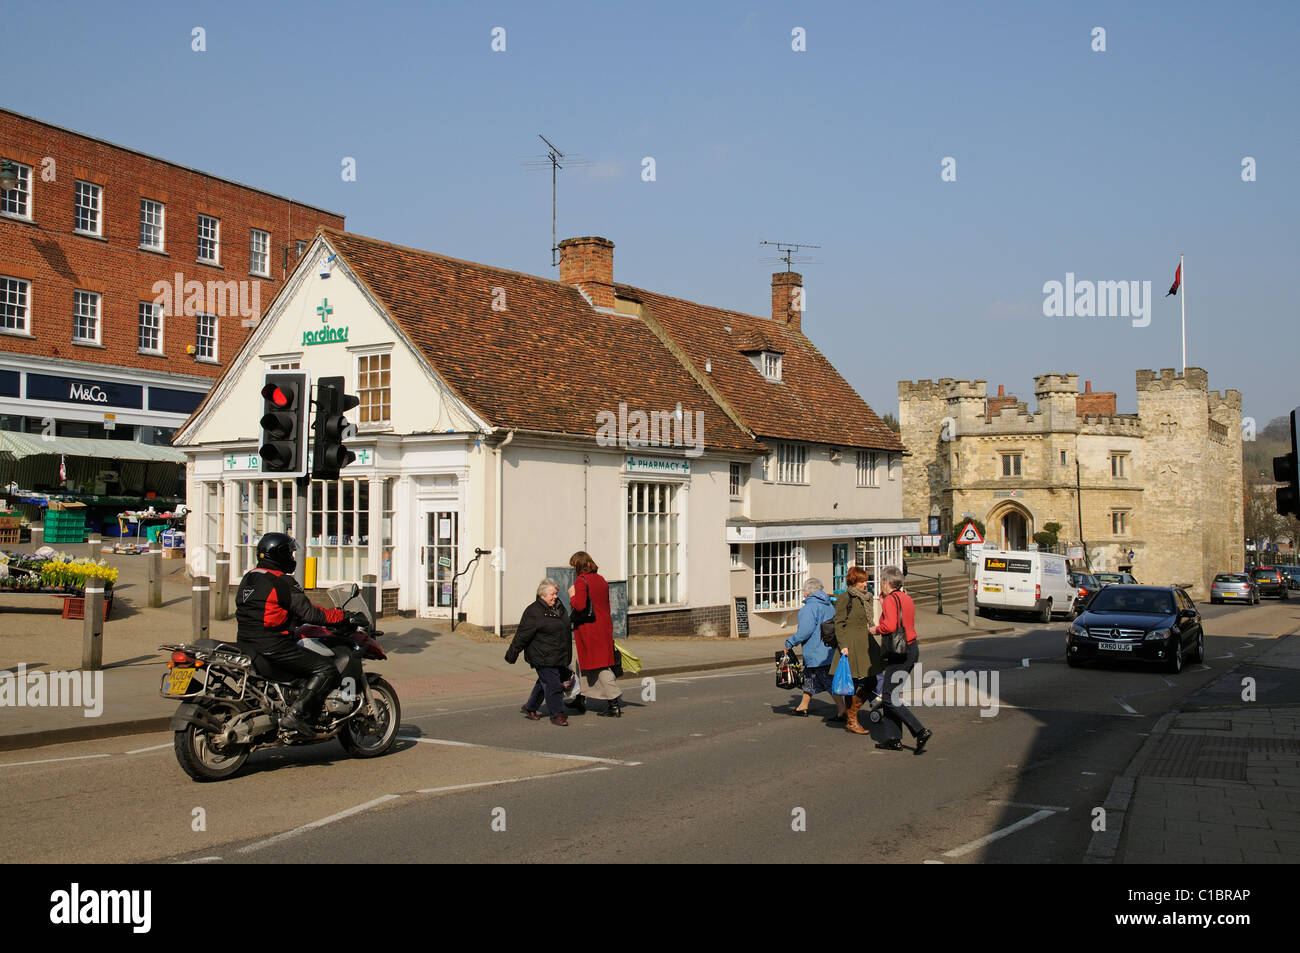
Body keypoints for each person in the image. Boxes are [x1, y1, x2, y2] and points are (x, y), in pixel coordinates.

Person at [234, 532, 365, 739]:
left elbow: (261, 610)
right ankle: (296, 714)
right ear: (279, 555)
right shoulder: (283, 581)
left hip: (246, 642)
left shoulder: (250, 577)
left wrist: (291, 621)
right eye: (290, 553)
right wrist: (345, 617)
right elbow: (311, 613)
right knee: (325, 669)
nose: (293, 558)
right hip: (274, 644)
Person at [869, 564, 932, 752]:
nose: (880, 583)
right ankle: (893, 738)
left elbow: (889, 626)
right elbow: (904, 621)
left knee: (888, 697)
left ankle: (919, 730)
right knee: (891, 694)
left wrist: (875, 629)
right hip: (911, 648)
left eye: (881, 580)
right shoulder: (906, 597)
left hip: (898, 651)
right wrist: (883, 603)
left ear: (886, 582)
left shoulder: (890, 600)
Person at [505, 578, 573, 726]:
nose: (555, 597)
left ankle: (530, 707)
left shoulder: (559, 607)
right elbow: (523, 634)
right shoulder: (534, 612)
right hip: (542, 655)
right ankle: (557, 714)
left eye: (556, 593)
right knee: (553, 684)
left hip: (559, 654)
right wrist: (513, 653)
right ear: (542, 595)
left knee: (545, 682)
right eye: (552, 594)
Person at [830, 566, 884, 735]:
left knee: (871, 681)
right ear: (853, 581)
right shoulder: (845, 598)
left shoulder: (866, 598)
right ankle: (852, 720)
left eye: (866, 581)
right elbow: (838, 623)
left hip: (866, 643)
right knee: (850, 684)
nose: (865, 584)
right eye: (862, 581)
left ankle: (852, 713)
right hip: (851, 644)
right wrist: (843, 645)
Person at [567, 551, 622, 717]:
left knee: (599, 666)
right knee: (582, 663)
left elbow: (580, 605)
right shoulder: (601, 579)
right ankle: (581, 697)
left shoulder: (581, 581)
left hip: (590, 630)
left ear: (578, 566)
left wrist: (572, 595)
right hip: (603, 626)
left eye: (573, 566)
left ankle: (613, 703)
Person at [781, 578, 843, 718]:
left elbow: (805, 630)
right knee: (809, 679)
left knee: (828, 682)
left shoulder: (809, 608)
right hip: (828, 650)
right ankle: (803, 706)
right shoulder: (829, 605)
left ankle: (843, 709)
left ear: (807, 593)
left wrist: (790, 642)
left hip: (816, 651)